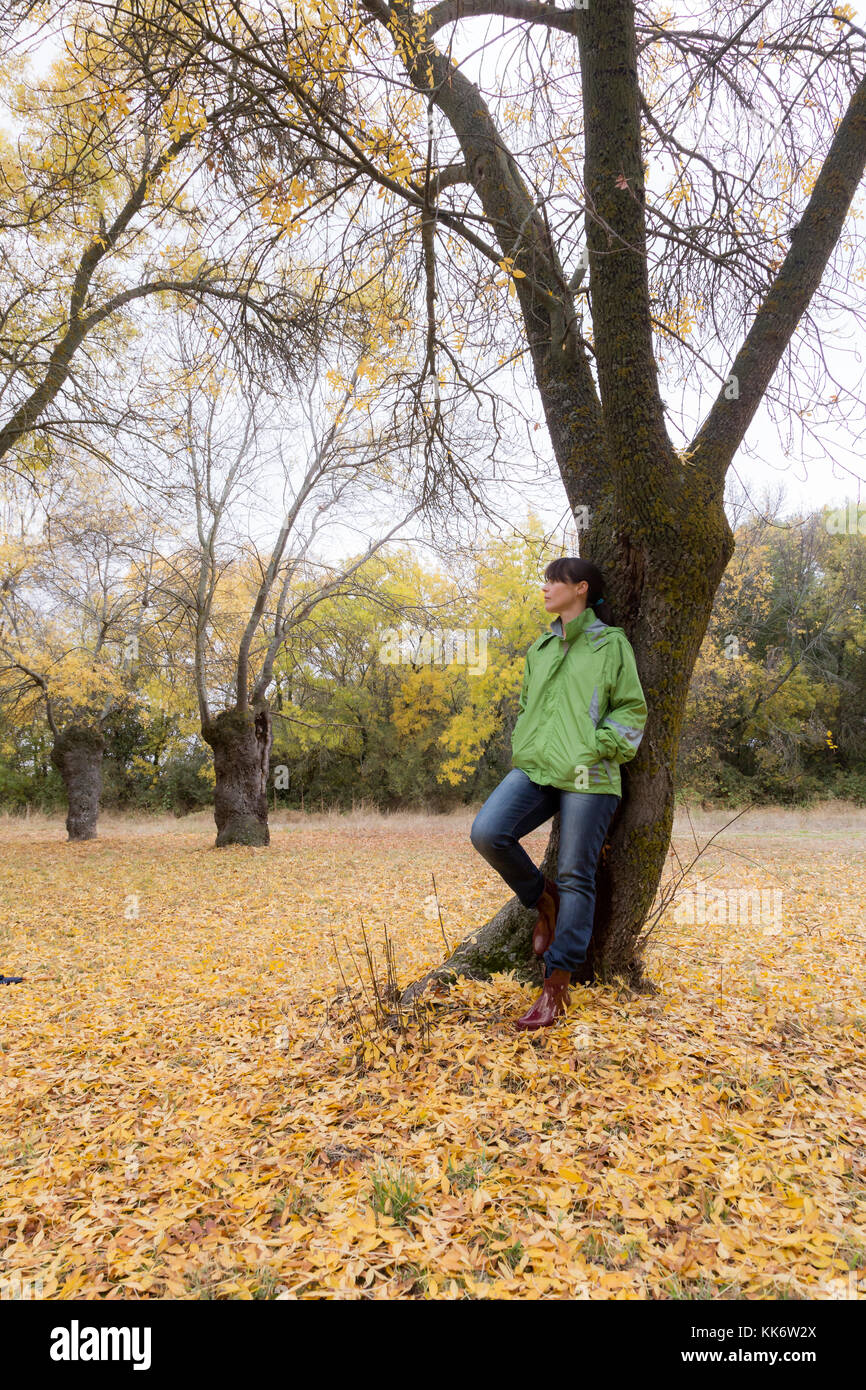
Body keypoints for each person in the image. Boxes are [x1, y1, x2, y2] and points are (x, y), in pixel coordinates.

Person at [470, 556, 648, 1032]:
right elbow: (529, 705)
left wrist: (596, 747)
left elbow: (631, 709)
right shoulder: (541, 646)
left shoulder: (611, 644)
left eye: (555, 580)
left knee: (576, 873)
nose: (546, 587)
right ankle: (540, 899)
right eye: (546, 580)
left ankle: (556, 985)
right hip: (539, 769)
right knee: (488, 832)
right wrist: (526, 743)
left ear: (582, 588)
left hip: (591, 775)